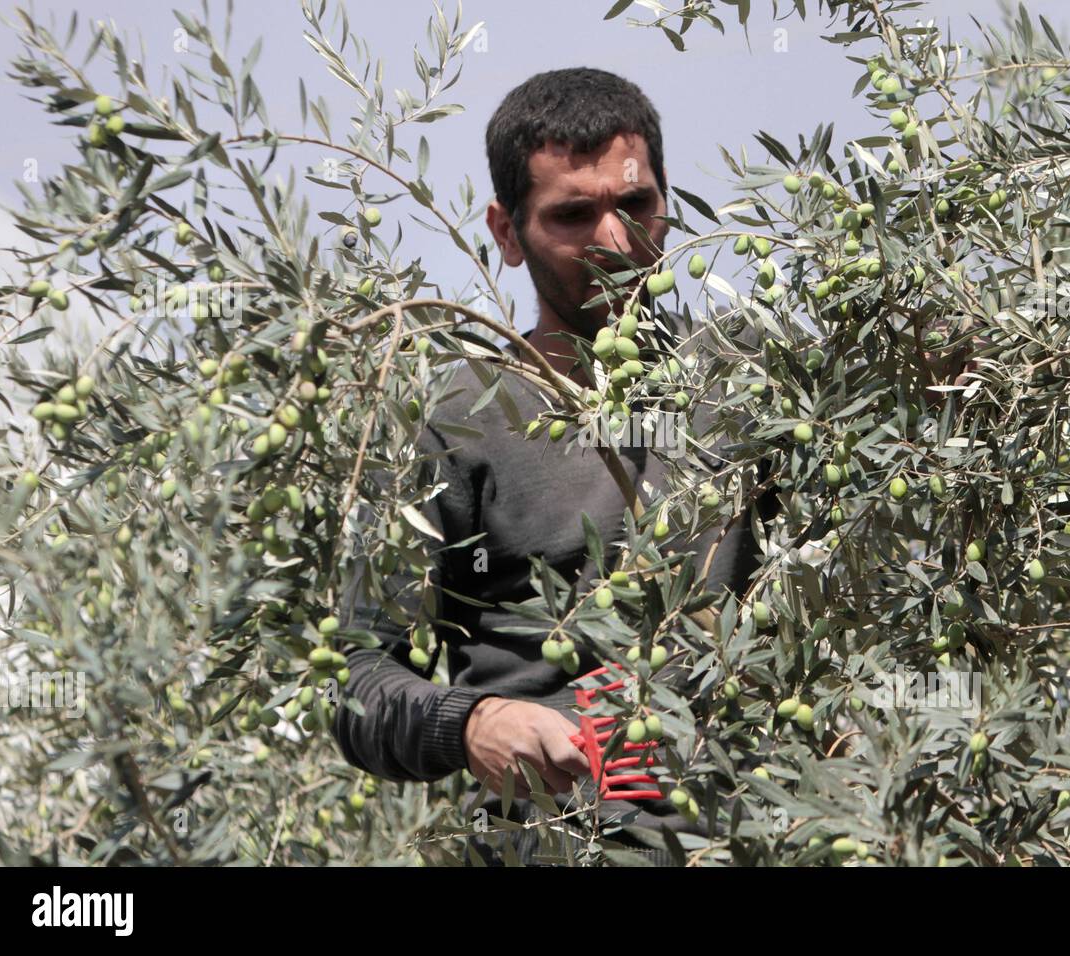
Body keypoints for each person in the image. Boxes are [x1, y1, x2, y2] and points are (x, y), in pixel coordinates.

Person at [329, 67, 774, 865]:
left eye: (635, 204)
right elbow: (355, 684)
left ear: (669, 200)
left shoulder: (750, 385)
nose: (615, 242)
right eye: (573, 215)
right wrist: (468, 725)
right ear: (506, 233)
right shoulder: (454, 423)